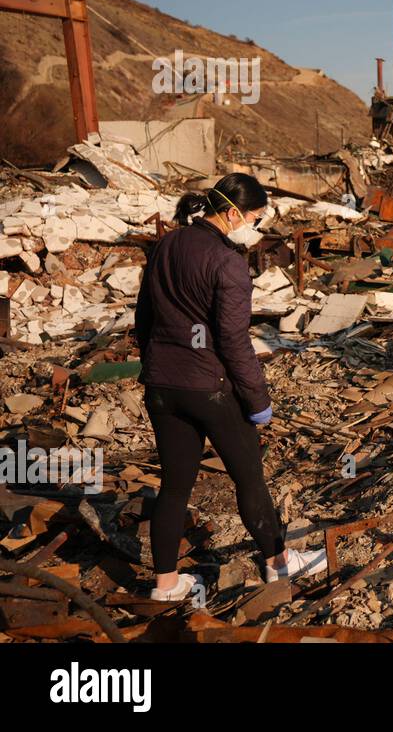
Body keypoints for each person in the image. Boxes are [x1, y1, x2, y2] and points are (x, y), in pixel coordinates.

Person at [134, 173, 325, 602]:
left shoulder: (167, 244)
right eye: (256, 219)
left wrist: (156, 362)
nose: (255, 230)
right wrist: (257, 400)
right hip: (211, 389)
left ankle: (166, 585)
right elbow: (234, 341)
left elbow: (143, 315)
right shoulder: (229, 263)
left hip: (162, 386)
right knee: (249, 479)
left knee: (174, 486)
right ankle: (278, 564)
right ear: (234, 213)